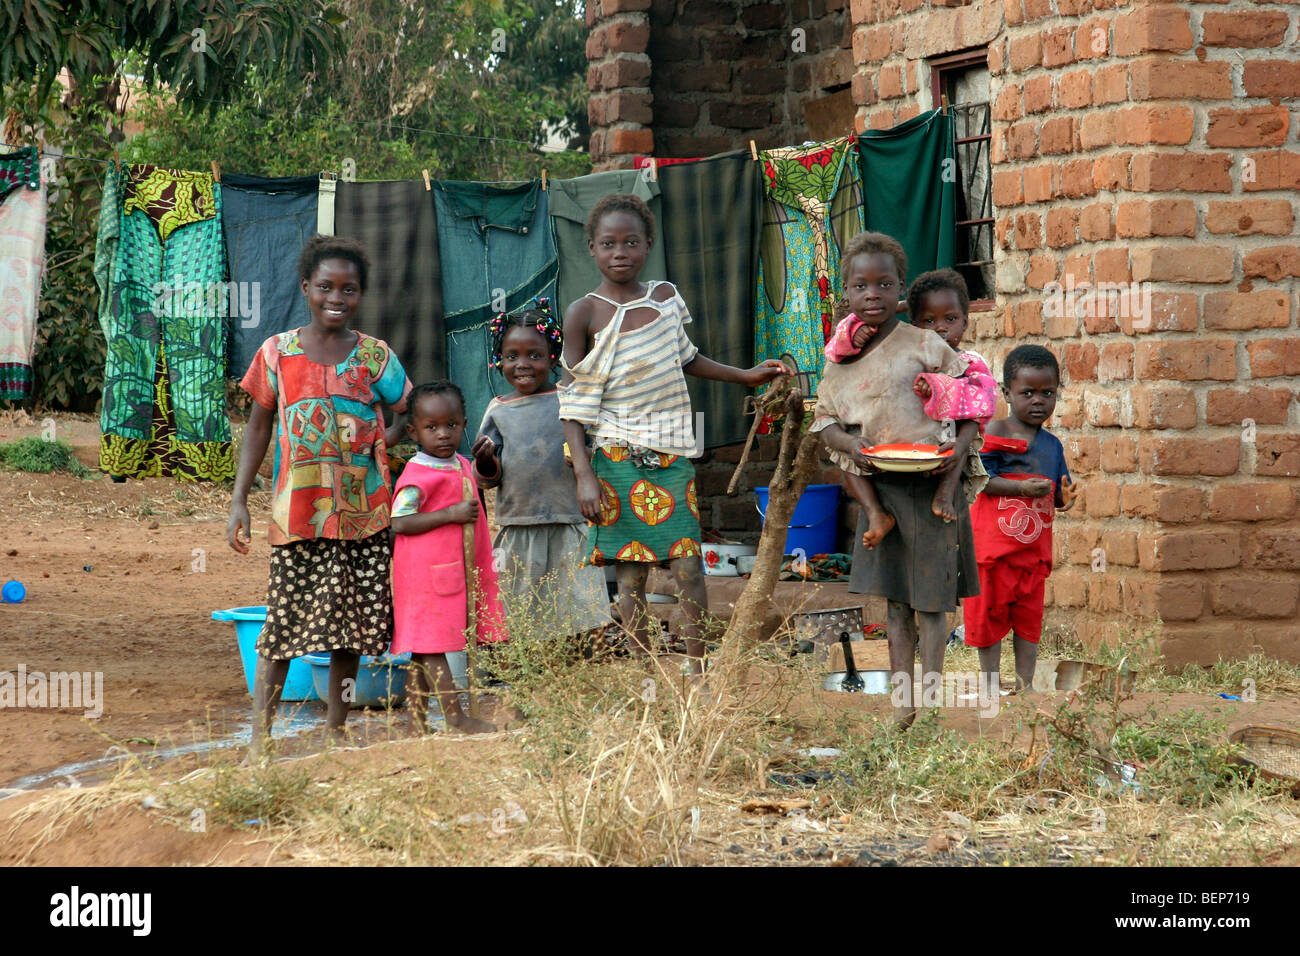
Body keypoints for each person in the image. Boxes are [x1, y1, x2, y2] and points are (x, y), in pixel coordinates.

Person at [558, 193, 789, 671]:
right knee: (631, 575)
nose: (619, 252)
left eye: (630, 242)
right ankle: (646, 674)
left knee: (688, 566)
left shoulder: (664, 297)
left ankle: (698, 667)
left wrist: (745, 375)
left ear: (648, 245)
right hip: (615, 459)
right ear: (591, 249)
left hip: (669, 455)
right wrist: (583, 474)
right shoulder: (584, 312)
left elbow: (687, 358)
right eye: (608, 243)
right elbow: (573, 403)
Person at [227, 236, 411, 755]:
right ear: (306, 287)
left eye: (349, 289)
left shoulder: (375, 357)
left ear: (360, 295)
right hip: (298, 516)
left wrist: (381, 443)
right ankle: (260, 738)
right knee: (281, 627)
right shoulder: (276, 353)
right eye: (326, 286)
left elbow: (410, 409)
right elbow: (258, 428)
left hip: (366, 516)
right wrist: (240, 499)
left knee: (351, 632)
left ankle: (336, 729)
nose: (337, 296)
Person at [810, 232, 981, 726]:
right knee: (896, 606)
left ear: (900, 288)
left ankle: (929, 706)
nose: (873, 295)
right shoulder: (839, 359)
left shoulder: (925, 344)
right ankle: (901, 704)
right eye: (861, 286)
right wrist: (849, 445)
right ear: (845, 292)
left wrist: (956, 457)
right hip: (879, 492)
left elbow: (975, 406)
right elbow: (823, 421)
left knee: (932, 604)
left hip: (932, 489)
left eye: (884, 284)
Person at [823, 268, 997, 546]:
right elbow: (836, 347)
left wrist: (941, 388)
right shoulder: (913, 354)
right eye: (928, 321)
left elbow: (983, 402)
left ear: (965, 323)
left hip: (950, 442)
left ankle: (944, 493)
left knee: (957, 447)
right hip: (897, 452)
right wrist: (867, 323)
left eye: (950, 319)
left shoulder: (970, 360)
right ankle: (875, 512)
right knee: (845, 455)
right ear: (914, 325)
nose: (940, 328)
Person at [471, 299, 611, 641]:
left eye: (534, 355)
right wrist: (486, 463)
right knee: (521, 606)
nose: (522, 365)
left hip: (572, 520)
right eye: (511, 356)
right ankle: (530, 668)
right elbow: (486, 479)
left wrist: (587, 458)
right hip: (519, 524)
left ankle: (581, 667)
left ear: (553, 358)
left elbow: (600, 448)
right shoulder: (498, 411)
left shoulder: (572, 401)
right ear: (499, 360)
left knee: (581, 605)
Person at [391, 381, 506, 735]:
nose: (443, 434)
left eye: (451, 425)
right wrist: (450, 515)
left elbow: (488, 480)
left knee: (424, 648)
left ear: (464, 423)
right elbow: (399, 522)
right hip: (424, 576)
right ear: (413, 431)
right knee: (433, 645)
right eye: (432, 427)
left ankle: (415, 722)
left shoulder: (459, 464)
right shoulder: (417, 475)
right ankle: (455, 717)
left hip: (448, 572)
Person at [963, 345, 1078, 693]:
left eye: (1048, 393)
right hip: (993, 552)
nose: (1038, 401)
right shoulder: (992, 435)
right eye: (1027, 392)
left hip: (1032, 553)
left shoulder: (1052, 446)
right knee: (989, 617)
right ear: (1006, 393)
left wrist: (1065, 498)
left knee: (1028, 621)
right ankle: (990, 684)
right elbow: (981, 481)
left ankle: (1025, 686)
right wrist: (1021, 490)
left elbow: (1058, 492)